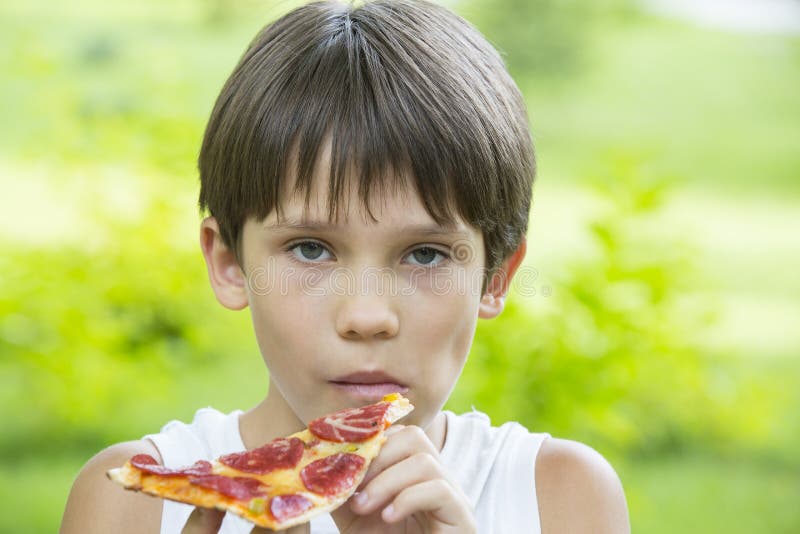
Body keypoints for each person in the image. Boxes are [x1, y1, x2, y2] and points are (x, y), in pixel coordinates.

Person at [60, 1, 630, 532]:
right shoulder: (133, 505)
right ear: (230, 263)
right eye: (311, 249)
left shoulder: (562, 498)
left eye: (425, 253)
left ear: (495, 275)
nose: (366, 317)